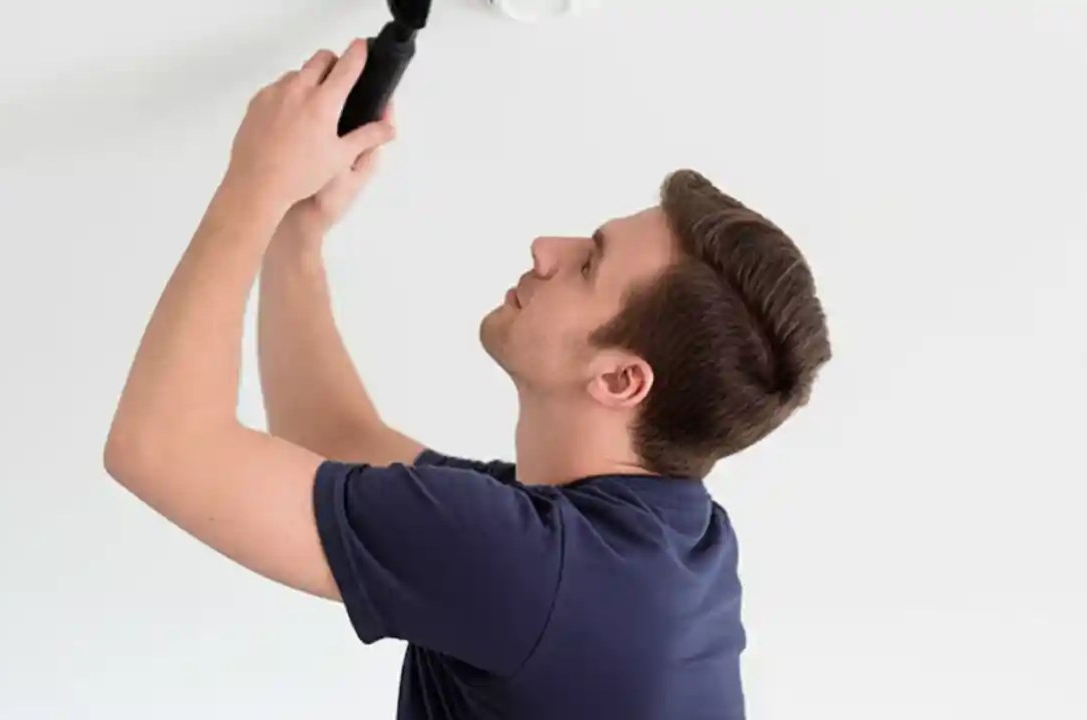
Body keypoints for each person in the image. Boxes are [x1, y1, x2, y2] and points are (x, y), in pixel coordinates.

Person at [104, 40, 831, 720]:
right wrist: (297, 230)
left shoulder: (538, 569)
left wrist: (253, 186)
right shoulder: (672, 535)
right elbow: (338, 442)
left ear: (620, 380)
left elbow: (160, 447)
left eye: (588, 265)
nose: (547, 247)